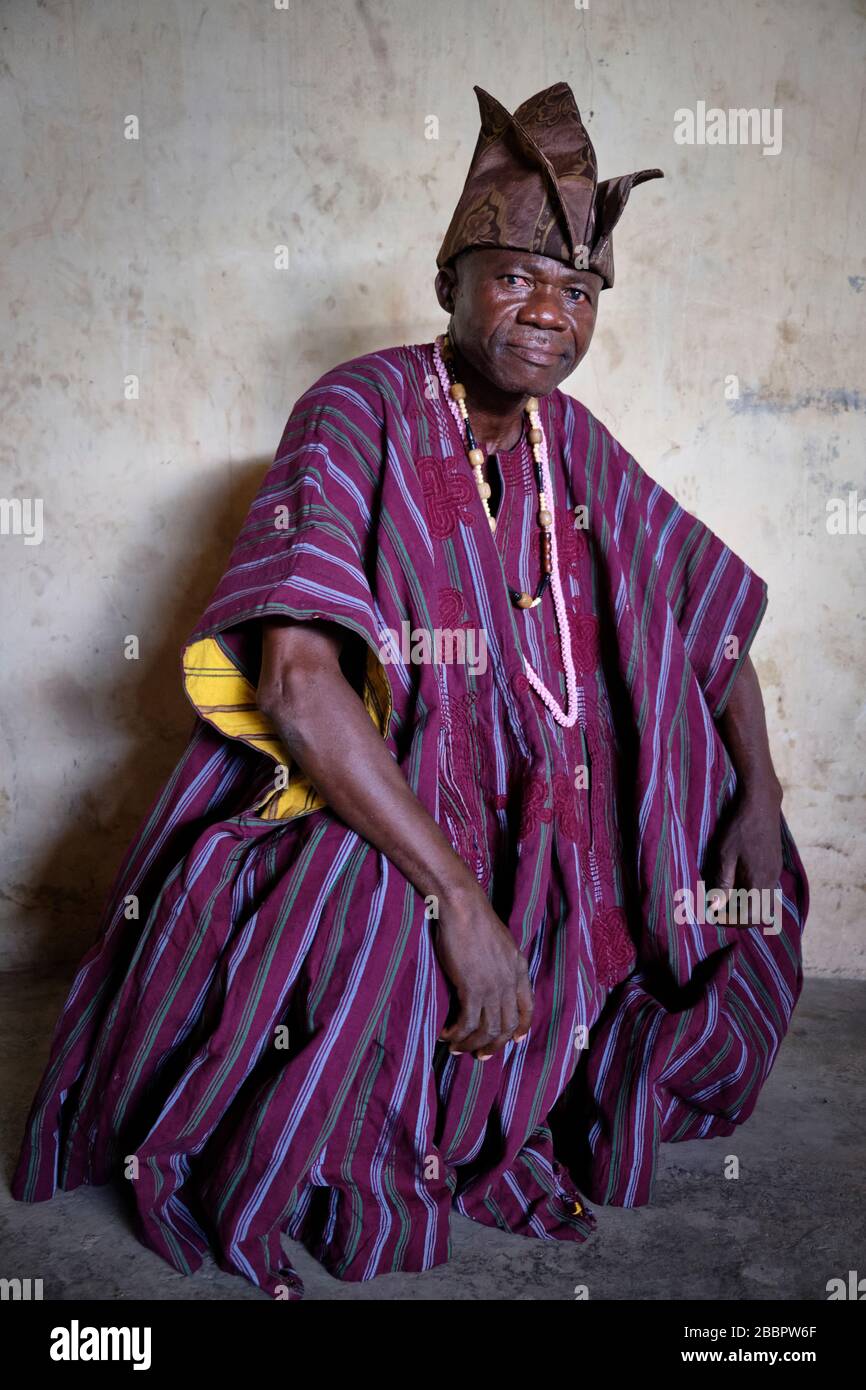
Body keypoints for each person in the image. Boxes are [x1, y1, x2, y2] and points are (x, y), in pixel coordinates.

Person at [11, 81, 808, 1299]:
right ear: (449, 285)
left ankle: (555, 1034)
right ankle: (324, 1129)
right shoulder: (358, 406)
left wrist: (755, 796)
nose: (550, 312)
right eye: (515, 278)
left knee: (705, 839)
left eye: (578, 292)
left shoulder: (568, 440)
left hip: (544, 806)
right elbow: (292, 677)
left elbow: (703, 614)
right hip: (371, 794)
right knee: (363, 908)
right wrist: (454, 895)